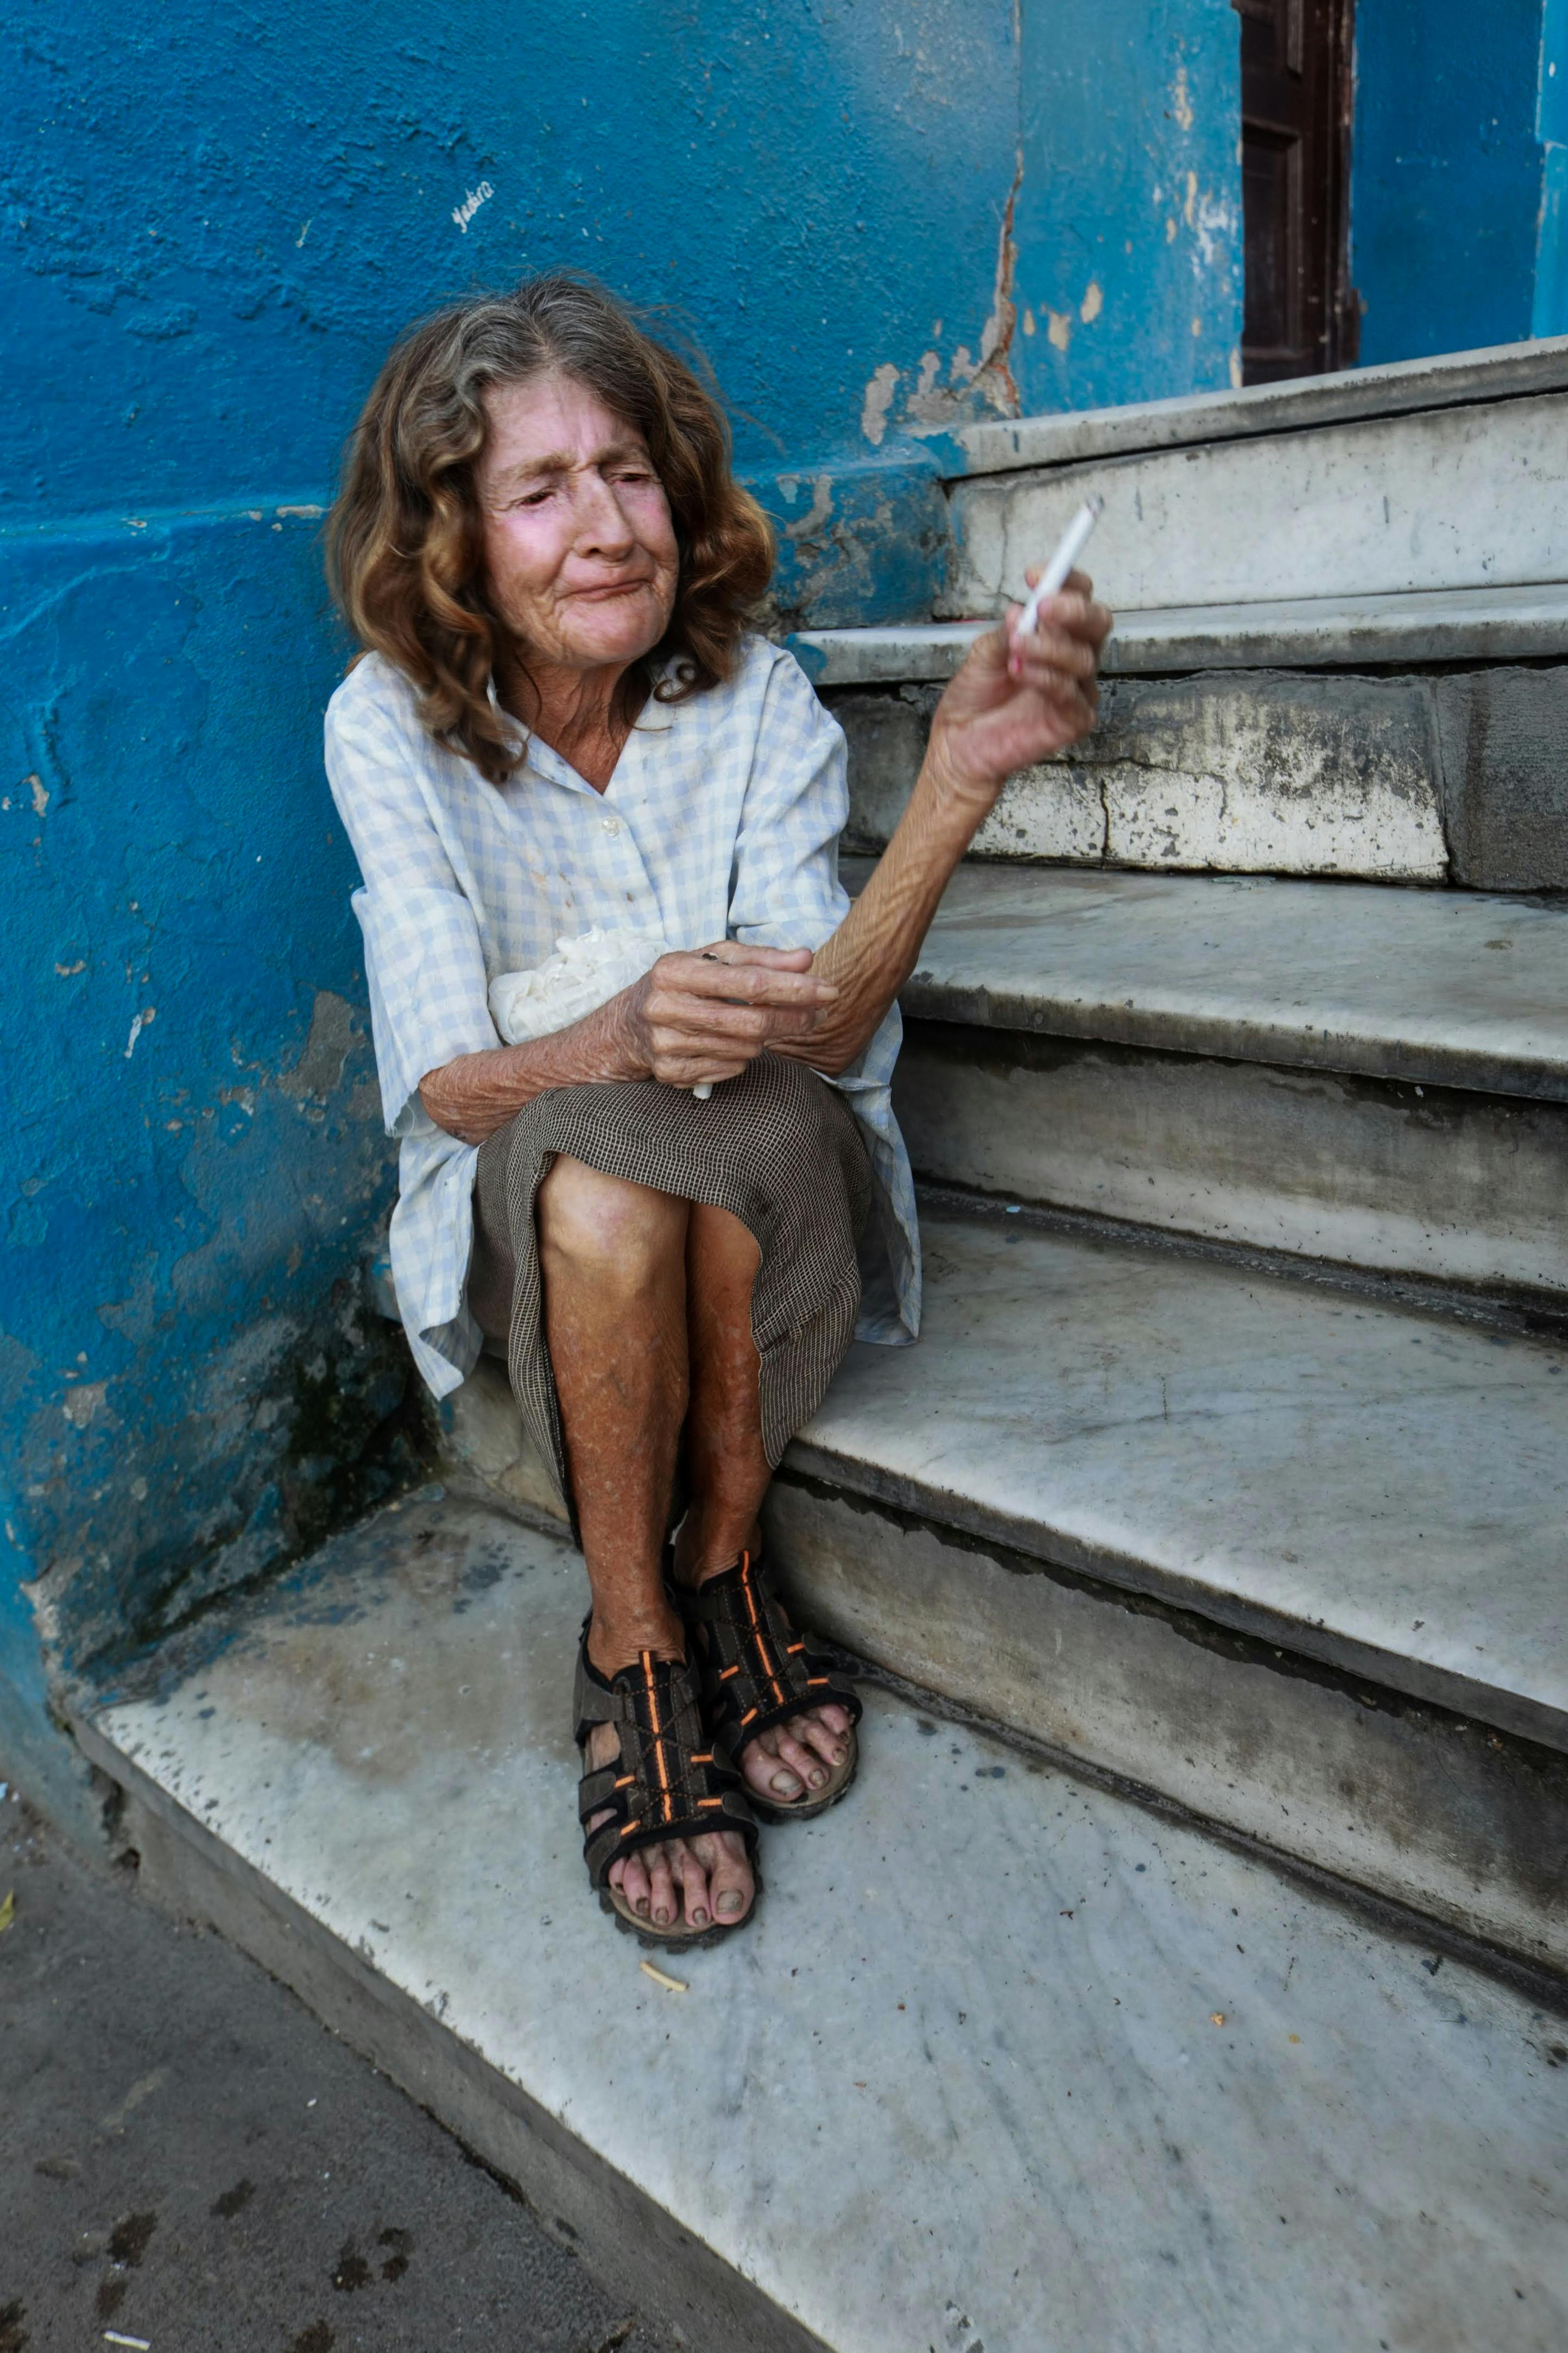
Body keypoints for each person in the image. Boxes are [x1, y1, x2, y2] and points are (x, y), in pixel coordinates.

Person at [323, 274, 1109, 1950]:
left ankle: (728, 1550)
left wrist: (956, 785)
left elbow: (827, 1023)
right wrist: (615, 1036)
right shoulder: (387, 728)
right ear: (454, 538)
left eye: (630, 475)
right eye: (539, 492)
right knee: (603, 1182)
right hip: (546, 1190)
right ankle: (635, 1631)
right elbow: (447, 1084)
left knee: (740, 1126)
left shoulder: (753, 700)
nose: (607, 528)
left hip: (763, 1150)